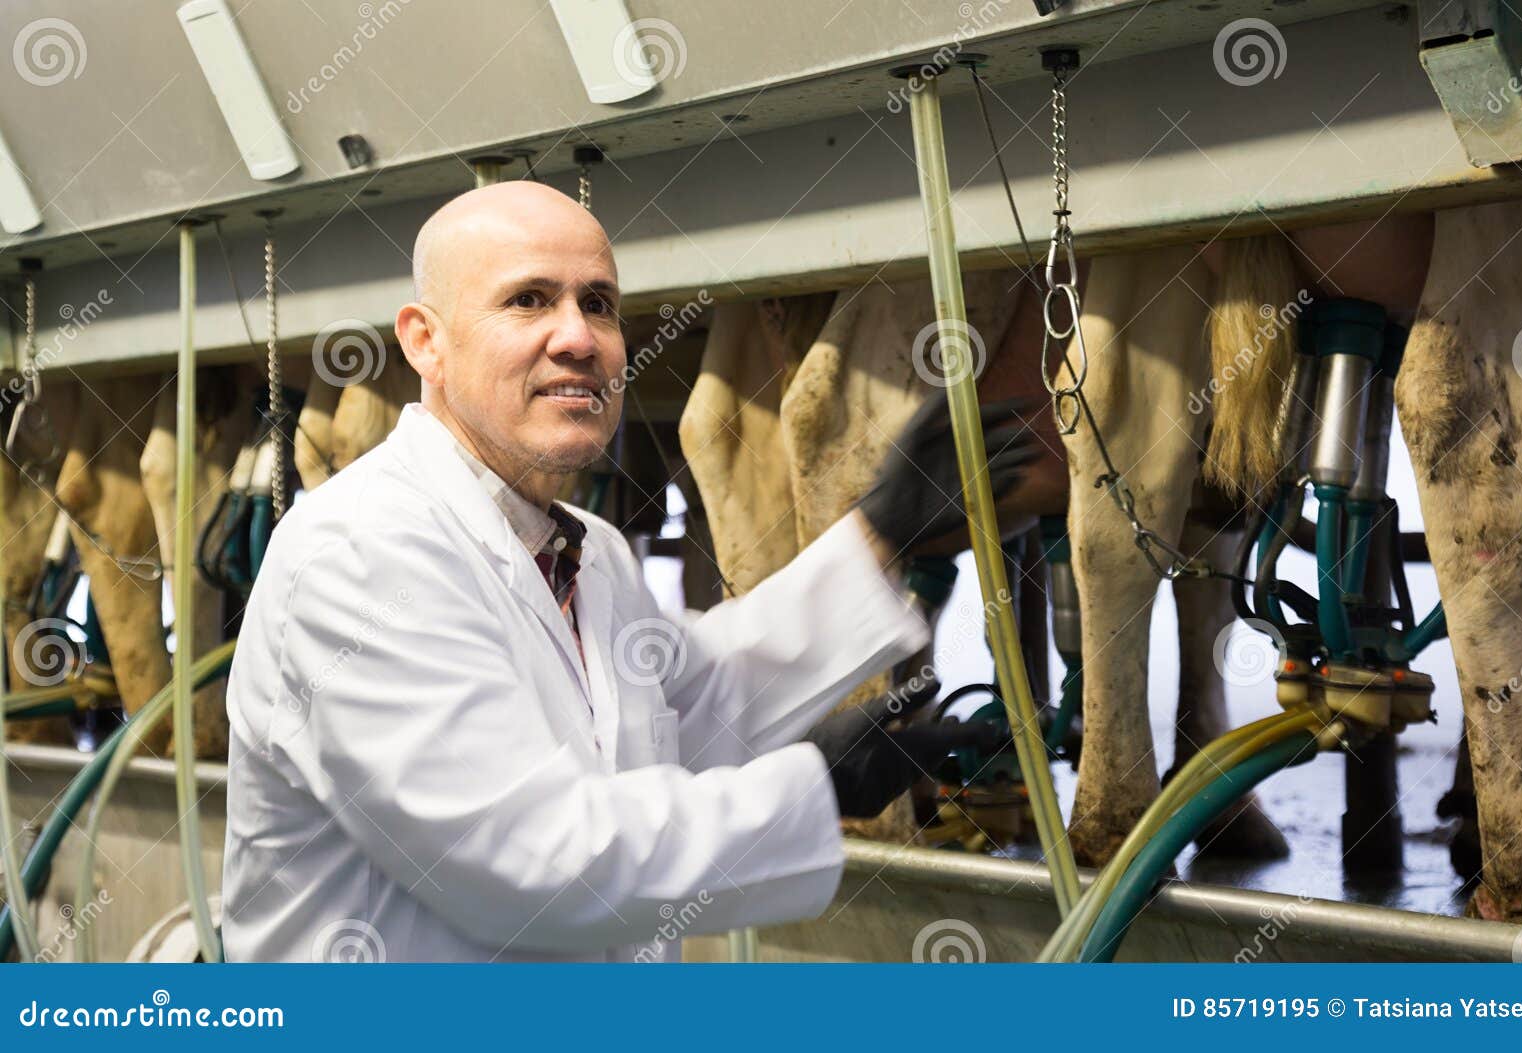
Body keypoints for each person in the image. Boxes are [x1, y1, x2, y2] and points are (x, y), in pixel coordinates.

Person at [221, 181, 1036, 962]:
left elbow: (690, 704)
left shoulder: (592, 551)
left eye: (599, 303)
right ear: (425, 341)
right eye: (528, 299)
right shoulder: (362, 551)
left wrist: (877, 532)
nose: (578, 338)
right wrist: (813, 787)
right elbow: (527, 860)